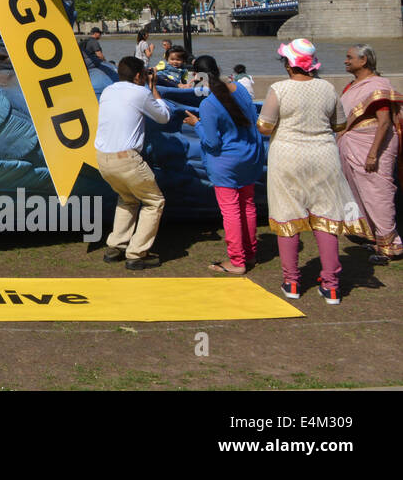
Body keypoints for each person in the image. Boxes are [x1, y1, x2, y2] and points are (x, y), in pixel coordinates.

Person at [258, 38, 370, 304]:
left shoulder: (279, 89)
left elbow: (264, 125)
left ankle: (292, 282)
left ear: (288, 65)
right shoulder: (327, 88)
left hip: (287, 158)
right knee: (326, 217)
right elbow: (340, 124)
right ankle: (331, 286)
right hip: (323, 157)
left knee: (288, 218)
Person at [182, 55, 261, 273]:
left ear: (197, 76)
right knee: (248, 205)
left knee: (231, 211)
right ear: (217, 68)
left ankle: (237, 261)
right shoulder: (241, 89)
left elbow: (212, 142)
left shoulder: (208, 104)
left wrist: (196, 124)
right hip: (249, 157)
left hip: (225, 162)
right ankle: (250, 254)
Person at [94, 56, 171, 269]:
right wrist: (153, 87)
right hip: (126, 159)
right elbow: (163, 116)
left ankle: (115, 246)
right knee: (154, 202)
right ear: (139, 76)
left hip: (103, 158)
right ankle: (136, 254)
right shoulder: (141, 92)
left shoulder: (109, 90)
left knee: (127, 199)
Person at [337, 44, 403, 264]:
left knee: (378, 194)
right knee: (362, 192)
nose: (346, 61)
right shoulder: (353, 86)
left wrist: (373, 154)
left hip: (372, 146)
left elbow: (384, 123)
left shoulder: (377, 86)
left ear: (363, 60)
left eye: (349, 57)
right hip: (354, 143)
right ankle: (377, 238)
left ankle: (391, 245)